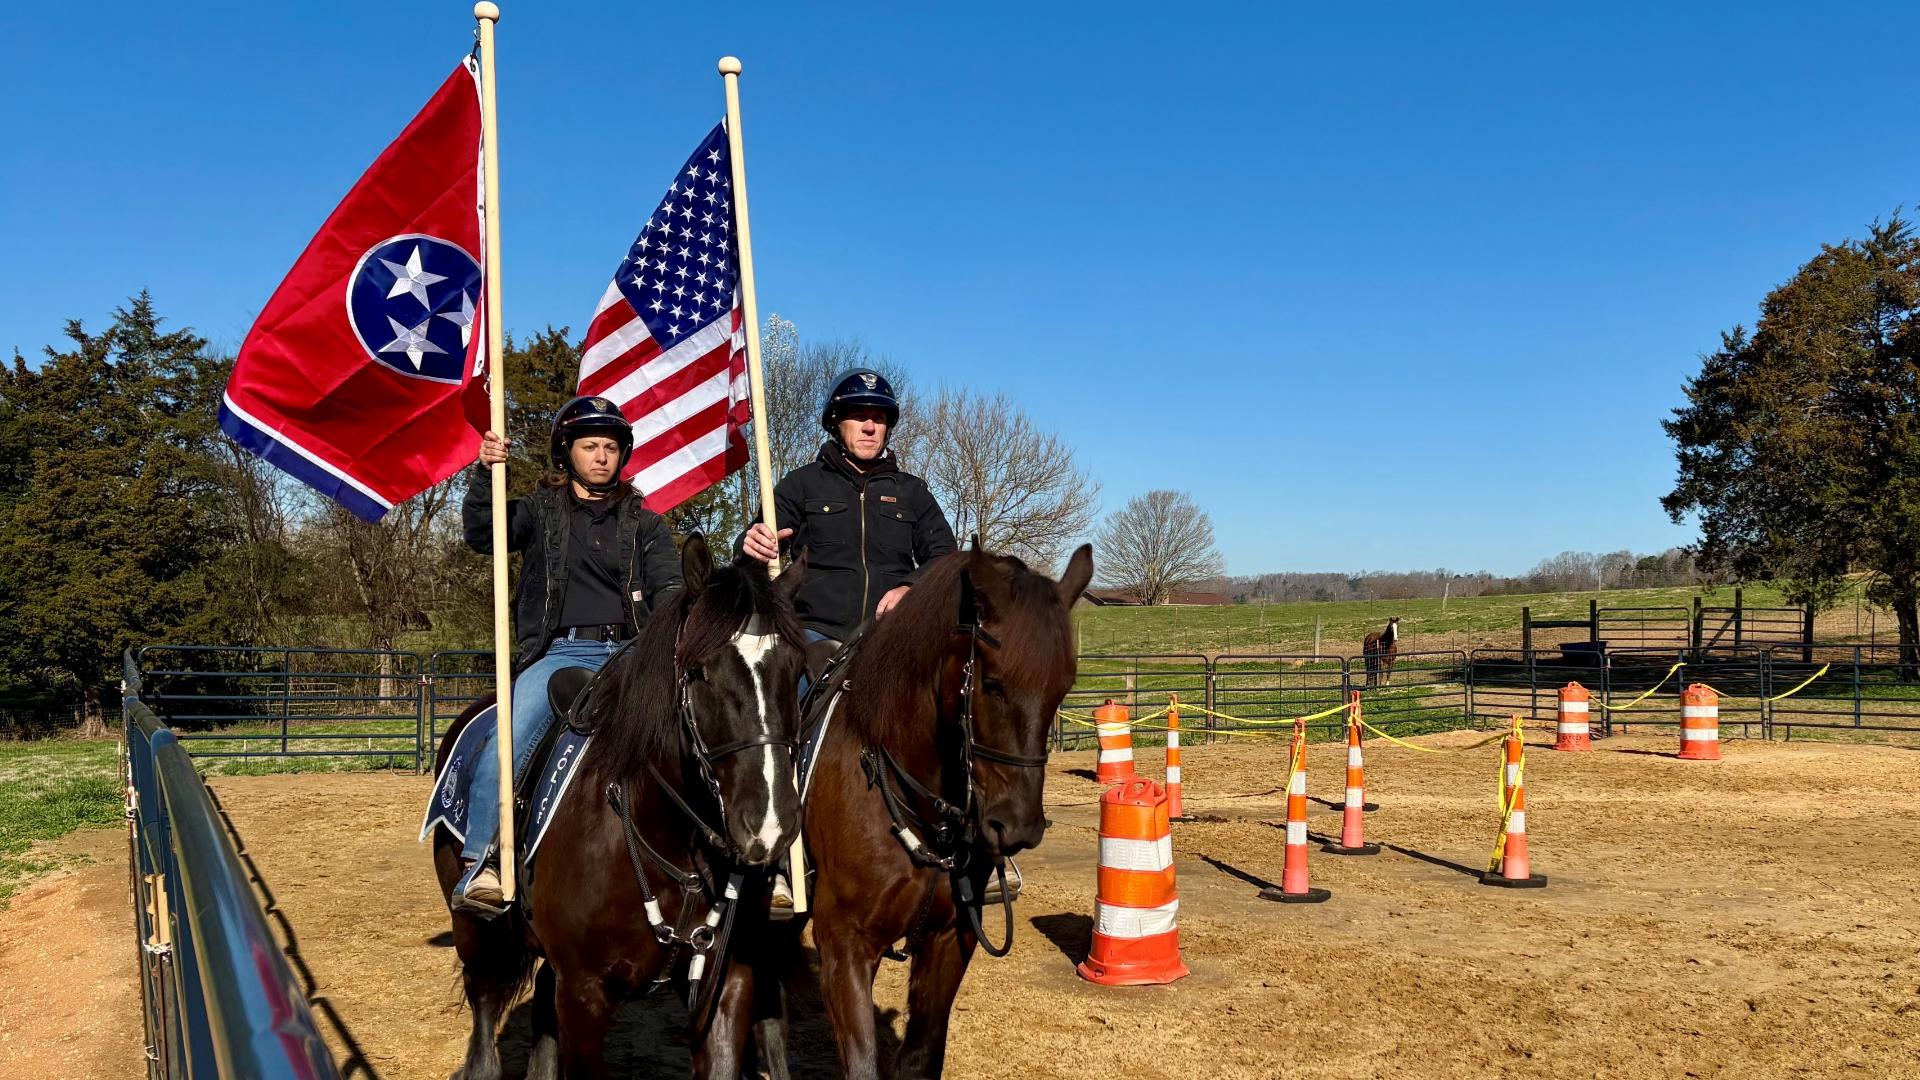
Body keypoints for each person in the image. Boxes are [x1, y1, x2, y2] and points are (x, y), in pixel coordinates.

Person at [453, 395, 682, 911]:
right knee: (509, 737)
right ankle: (481, 862)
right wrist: (485, 474)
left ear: (622, 456)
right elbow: (482, 536)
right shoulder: (539, 511)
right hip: (558, 653)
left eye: (610, 447)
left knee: (695, 734)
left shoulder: (646, 524)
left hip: (629, 654)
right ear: (567, 453)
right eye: (589, 446)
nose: (601, 456)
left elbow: (669, 588)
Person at [739, 368, 955, 654]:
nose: (869, 427)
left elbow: (946, 558)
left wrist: (911, 588)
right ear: (836, 422)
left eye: (879, 418)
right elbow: (754, 541)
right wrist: (751, 544)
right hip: (815, 635)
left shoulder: (912, 491)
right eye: (857, 416)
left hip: (893, 635)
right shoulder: (802, 483)